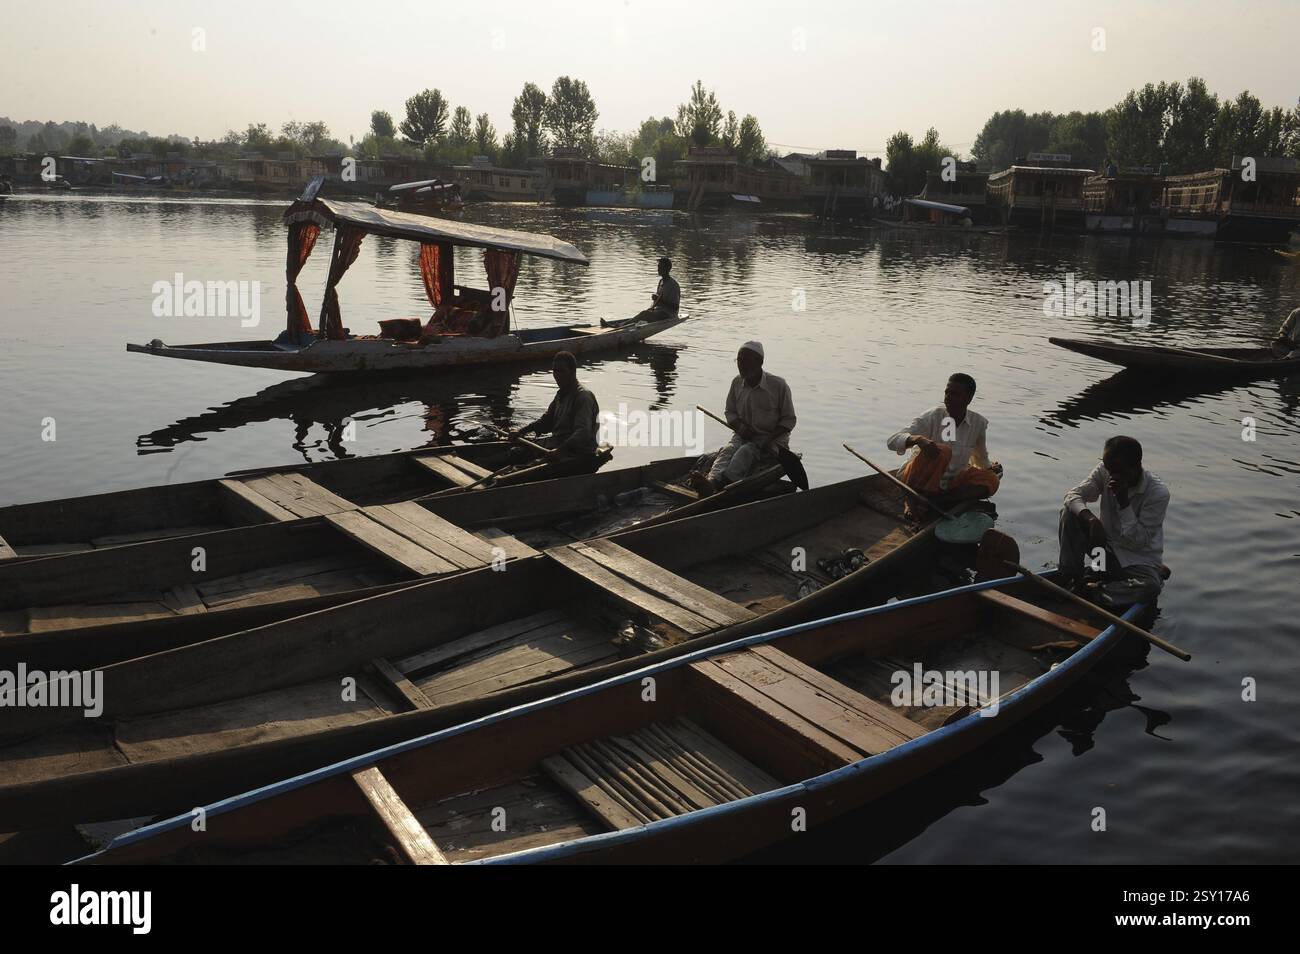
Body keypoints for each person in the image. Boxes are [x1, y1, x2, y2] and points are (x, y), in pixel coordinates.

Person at [1059, 435, 1170, 606]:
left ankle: (1092, 591)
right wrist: (1091, 520)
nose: (1111, 476)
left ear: (1136, 468)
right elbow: (1072, 495)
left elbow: (1138, 542)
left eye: (1117, 471)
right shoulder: (1105, 470)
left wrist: (1124, 502)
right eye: (1108, 469)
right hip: (1102, 555)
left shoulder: (1157, 493)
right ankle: (1070, 577)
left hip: (1135, 562)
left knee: (1150, 588)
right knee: (1070, 512)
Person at [886, 373, 1002, 515]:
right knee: (943, 451)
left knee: (991, 480)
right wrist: (918, 440)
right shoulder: (933, 416)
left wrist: (990, 468)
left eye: (954, 394)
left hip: (948, 484)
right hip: (918, 480)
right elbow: (892, 441)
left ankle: (936, 500)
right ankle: (915, 498)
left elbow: (980, 458)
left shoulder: (978, 424)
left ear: (968, 398)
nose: (947, 397)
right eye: (947, 392)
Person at [693, 341, 795, 495]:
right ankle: (711, 481)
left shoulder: (778, 385)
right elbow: (730, 413)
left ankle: (721, 486)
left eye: (746, 360)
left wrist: (767, 439)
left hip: (771, 442)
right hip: (743, 435)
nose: (741, 365)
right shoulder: (736, 382)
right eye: (739, 360)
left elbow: (789, 421)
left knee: (745, 452)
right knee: (728, 451)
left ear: (760, 362)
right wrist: (740, 427)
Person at [508, 351, 599, 463]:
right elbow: (546, 421)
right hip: (557, 443)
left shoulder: (583, 397)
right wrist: (520, 431)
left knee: (532, 464)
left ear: (573, 371)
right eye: (555, 371)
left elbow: (582, 433)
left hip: (578, 451)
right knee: (515, 452)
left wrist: (560, 450)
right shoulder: (561, 394)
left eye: (561, 371)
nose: (557, 375)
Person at [632, 257, 680, 322]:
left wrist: (659, 300)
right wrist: (651, 308)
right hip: (659, 312)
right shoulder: (661, 281)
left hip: (669, 315)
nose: (658, 269)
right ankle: (626, 323)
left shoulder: (673, 285)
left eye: (661, 267)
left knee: (644, 314)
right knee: (645, 313)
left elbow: (675, 307)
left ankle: (621, 325)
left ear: (667, 269)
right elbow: (657, 301)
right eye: (658, 266)